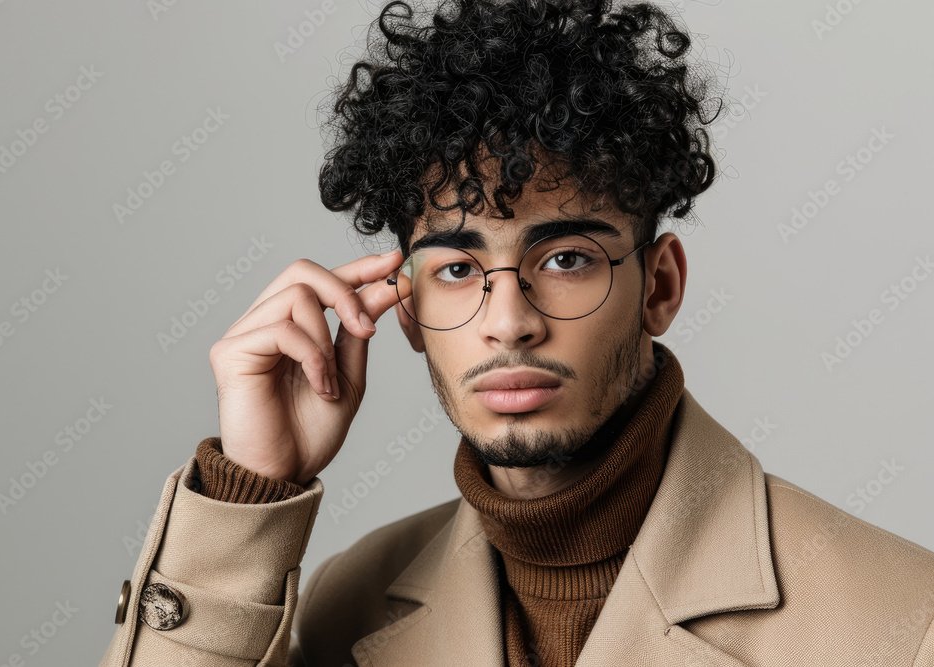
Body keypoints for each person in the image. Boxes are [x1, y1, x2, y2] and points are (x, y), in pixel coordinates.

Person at [99, 1, 934, 665]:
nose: (509, 321)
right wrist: (251, 488)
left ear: (661, 285)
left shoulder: (905, 624)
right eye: (458, 269)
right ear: (407, 307)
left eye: (566, 257)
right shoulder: (344, 609)